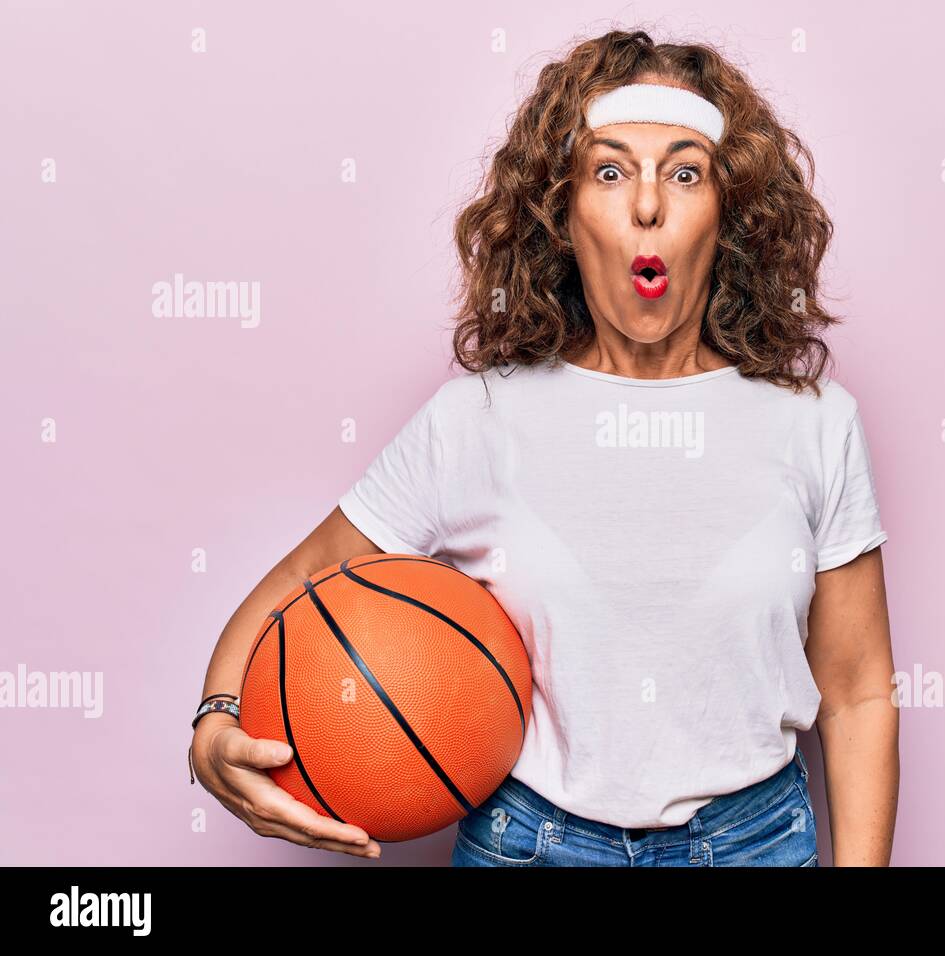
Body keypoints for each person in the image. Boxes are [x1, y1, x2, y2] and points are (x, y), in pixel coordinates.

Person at [190, 29, 899, 867]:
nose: (646, 206)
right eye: (609, 171)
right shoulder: (477, 421)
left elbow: (854, 696)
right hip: (531, 844)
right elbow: (305, 580)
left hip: (753, 844)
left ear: (729, 213)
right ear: (560, 214)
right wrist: (214, 724)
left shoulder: (815, 423)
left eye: (684, 171)